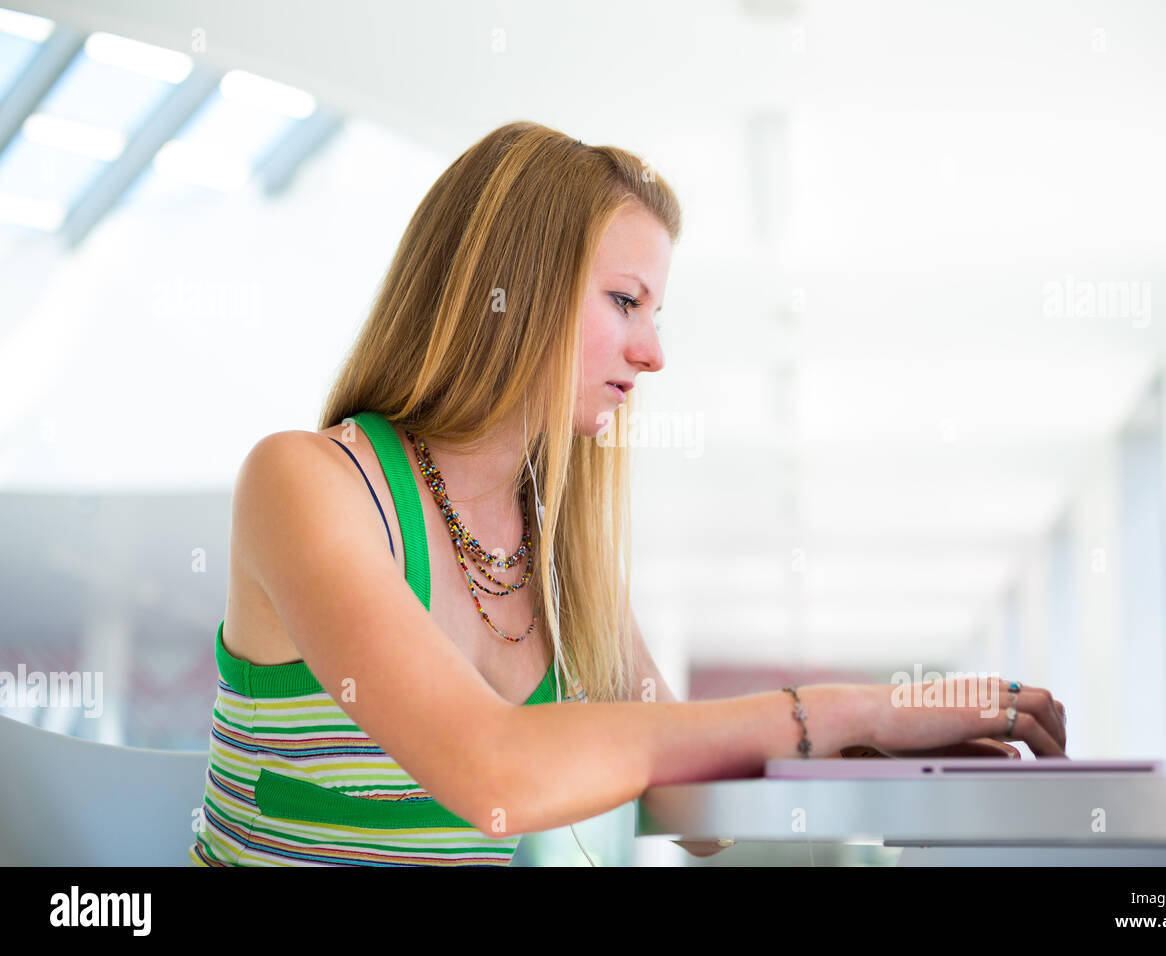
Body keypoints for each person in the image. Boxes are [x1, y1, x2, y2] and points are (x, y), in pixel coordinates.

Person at [189, 120, 1066, 866]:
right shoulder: (306, 483)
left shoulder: (556, 555)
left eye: (657, 314)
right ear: (513, 295)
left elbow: (691, 806)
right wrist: (844, 707)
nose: (652, 355)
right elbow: (493, 768)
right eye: (624, 301)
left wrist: (894, 751)